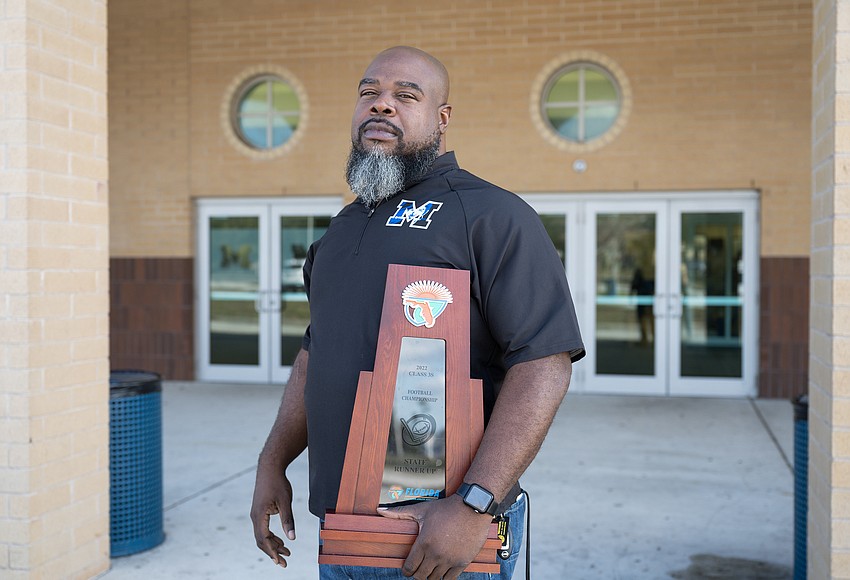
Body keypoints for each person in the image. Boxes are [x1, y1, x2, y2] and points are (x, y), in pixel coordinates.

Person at [250, 46, 585, 580]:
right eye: (369, 93)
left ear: (442, 118)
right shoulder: (342, 230)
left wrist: (475, 503)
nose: (381, 106)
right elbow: (318, 352)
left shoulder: (492, 216)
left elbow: (545, 363)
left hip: (442, 534)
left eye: (406, 96)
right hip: (342, 528)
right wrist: (274, 460)